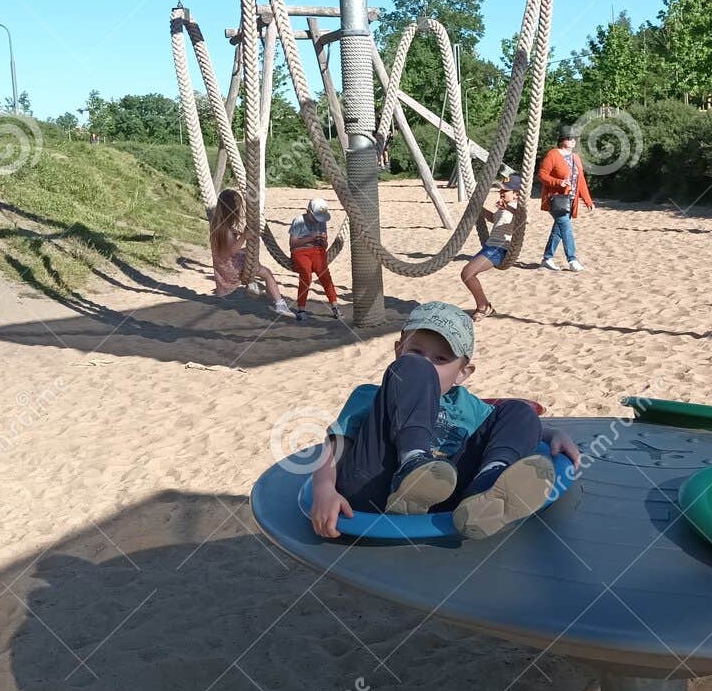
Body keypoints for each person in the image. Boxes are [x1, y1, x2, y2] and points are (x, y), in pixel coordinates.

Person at [309, 301, 581, 541]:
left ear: (462, 373)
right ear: (398, 351)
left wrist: (551, 433)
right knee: (411, 375)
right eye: (415, 352)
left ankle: (488, 487)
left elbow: (505, 426)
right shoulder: (372, 395)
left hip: (446, 498)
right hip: (372, 486)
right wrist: (323, 489)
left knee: (520, 411)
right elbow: (335, 446)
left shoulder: (466, 405)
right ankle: (412, 460)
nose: (426, 364)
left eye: (440, 359)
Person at [209, 188, 292, 316]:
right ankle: (279, 304)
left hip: (221, 266)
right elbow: (232, 250)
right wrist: (243, 237)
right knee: (267, 273)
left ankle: (254, 284)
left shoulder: (217, 226)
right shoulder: (227, 232)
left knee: (248, 253)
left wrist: (237, 234)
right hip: (230, 268)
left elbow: (226, 247)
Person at [460, 175, 523, 318]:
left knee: (467, 273)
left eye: (505, 191)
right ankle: (484, 305)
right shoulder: (502, 208)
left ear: (516, 194)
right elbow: (492, 218)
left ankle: (483, 306)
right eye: (501, 190)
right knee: (467, 274)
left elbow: (523, 219)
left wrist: (508, 208)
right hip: (489, 246)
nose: (501, 193)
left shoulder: (516, 208)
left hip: (499, 249)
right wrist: (478, 207)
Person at [537, 127, 594, 271]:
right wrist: (558, 182)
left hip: (570, 199)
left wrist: (588, 201)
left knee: (559, 229)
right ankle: (572, 259)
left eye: (574, 138)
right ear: (562, 140)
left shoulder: (576, 157)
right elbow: (542, 175)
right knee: (566, 227)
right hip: (555, 199)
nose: (573, 141)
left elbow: (580, 181)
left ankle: (547, 258)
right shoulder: (553, 155)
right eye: (570, 138)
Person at [289, 197, 341, 322]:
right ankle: (301, 309)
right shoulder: (298, 221)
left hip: (317, 251)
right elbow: (293, 243)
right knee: (306, 276)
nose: (318, 220)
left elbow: (325, 244)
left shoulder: (322, 221)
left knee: (325, 276)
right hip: (300, 251)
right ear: (308, 212)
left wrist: (323, 241)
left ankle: (335, 307)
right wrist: (310, 238)